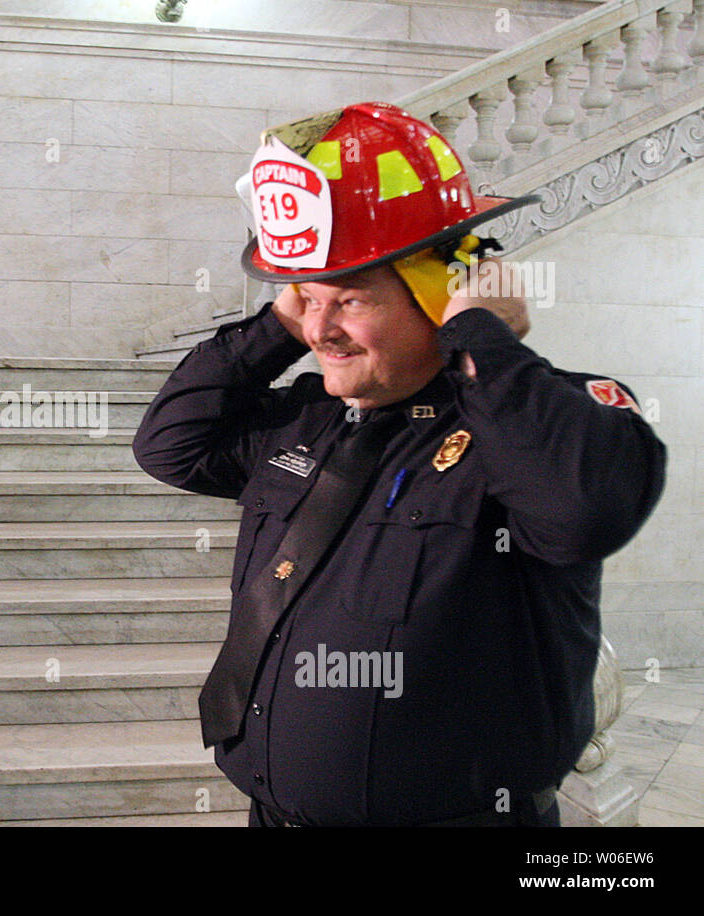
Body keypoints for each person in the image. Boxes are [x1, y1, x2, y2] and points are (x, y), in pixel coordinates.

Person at [132, 102, 666, 827]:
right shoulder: (308, 419)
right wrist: (280, 326)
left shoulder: (542, 426)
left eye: (348, 299)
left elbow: (584, 509)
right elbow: (170, 443)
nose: (320, 328)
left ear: (441, 293)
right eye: (305, 299)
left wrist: (481, 335)